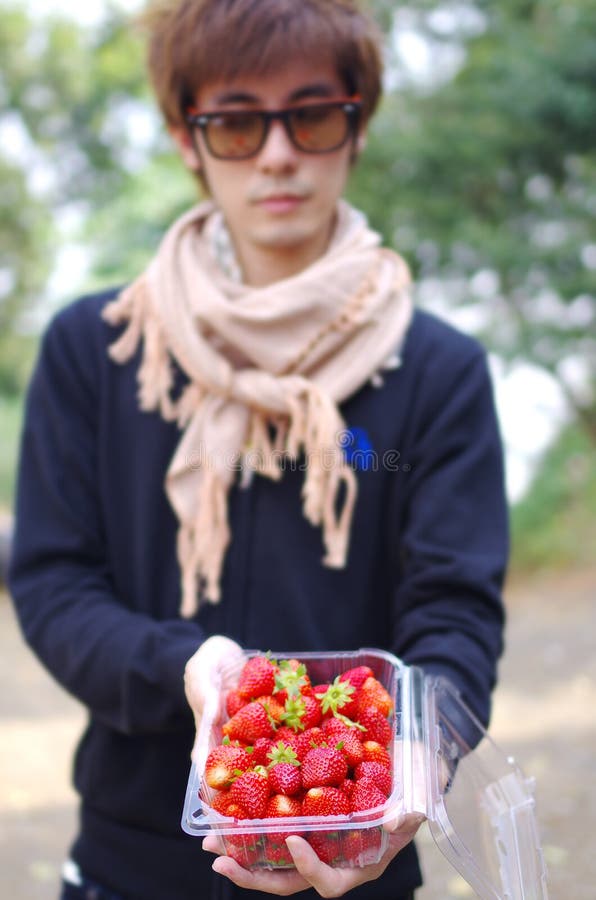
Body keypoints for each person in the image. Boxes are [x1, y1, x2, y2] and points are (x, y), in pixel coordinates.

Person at [8, 1, 508, 898]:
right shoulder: (100, 350)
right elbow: (54, 581)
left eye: (312, 116)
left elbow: (455, 612)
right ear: (186, 138)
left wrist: (417, 760)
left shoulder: (437, 372)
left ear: (358, 126)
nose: (278, 154)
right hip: (130, 863)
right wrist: (186, 669)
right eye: (237, 122)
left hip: (360, 854)